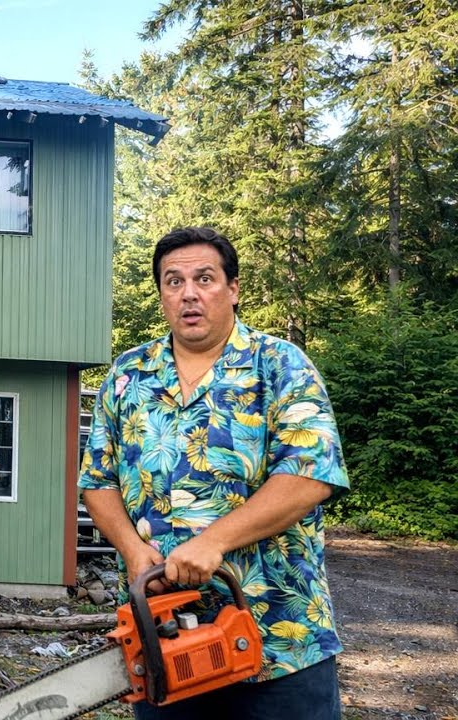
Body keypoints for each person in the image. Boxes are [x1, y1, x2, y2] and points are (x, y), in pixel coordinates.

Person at [79, 226, 349, 720]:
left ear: (233, 289)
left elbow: (310, 475)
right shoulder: (127, 374)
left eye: (204, 278)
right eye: (173, 281)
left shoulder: (279, 365)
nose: (189, 293)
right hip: (162, 634)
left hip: (280, 637)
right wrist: (134, 551)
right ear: (162, 292)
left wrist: (214, 542)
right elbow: (98, 482)